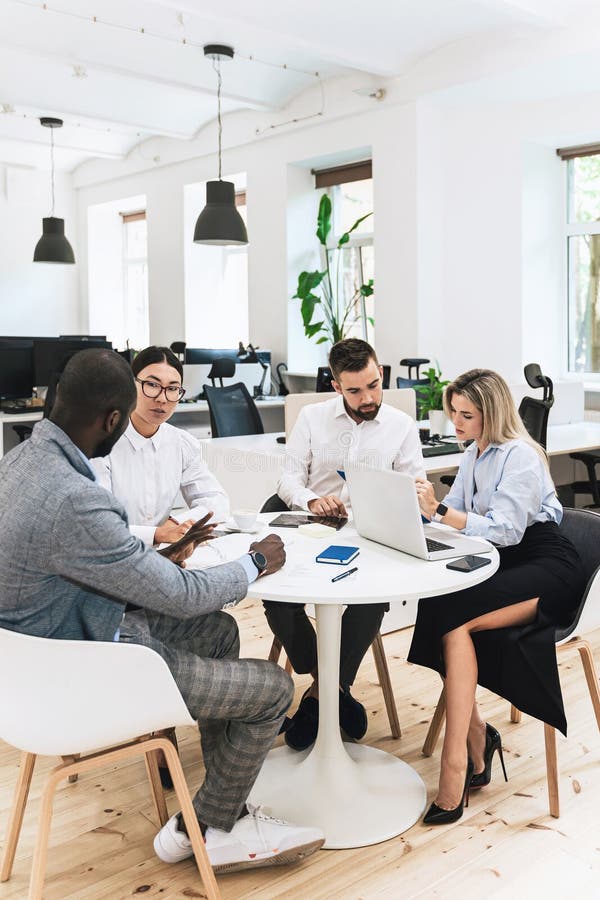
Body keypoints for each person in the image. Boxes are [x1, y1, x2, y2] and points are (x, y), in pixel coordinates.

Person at [0, 348, 324, 872]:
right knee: (274, 689)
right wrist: (254, 563)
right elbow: (179, 594)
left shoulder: (18, 463)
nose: (158, 401)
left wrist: (144, 561)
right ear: (113, 418)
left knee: (218, 631)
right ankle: (208, 829)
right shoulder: (75, 496)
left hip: (34, 660)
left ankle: (227, 806)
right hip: (83, 666)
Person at [408, 368, 585, 825]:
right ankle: (477, 741)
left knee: (451, 619)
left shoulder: (521, 456)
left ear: (493, 413)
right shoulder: (473, 454)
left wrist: (441, 513)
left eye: (467, 415)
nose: (457, 423)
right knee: (439, 602)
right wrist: (418, 517)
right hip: (502, 560)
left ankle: (458, 768)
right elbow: (463, 519)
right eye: (454, 413)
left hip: (547, 566)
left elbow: (505, 530)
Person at [271, 338, 425, 751]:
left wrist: (415, 495)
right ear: (336, 385)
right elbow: (287, 480)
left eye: (375, 385)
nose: (368, 397)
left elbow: (414, 486)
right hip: (312, 527)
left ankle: (322, 691)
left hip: (371, 533)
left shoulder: (400, 426)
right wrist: (311, 499)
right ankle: (331, 684)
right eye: (355, 390)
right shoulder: (311, 418)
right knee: (278, 597)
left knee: (371, 598)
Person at [92, 345, 229, 545]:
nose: (162, 398)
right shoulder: (100, 444)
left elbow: (217, 502)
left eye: (173, 389)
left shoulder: (182, 443)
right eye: (152, 385)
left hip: (163, 556)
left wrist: (176, 523)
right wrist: (157, 535)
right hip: (110, 558)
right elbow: (98, 524)